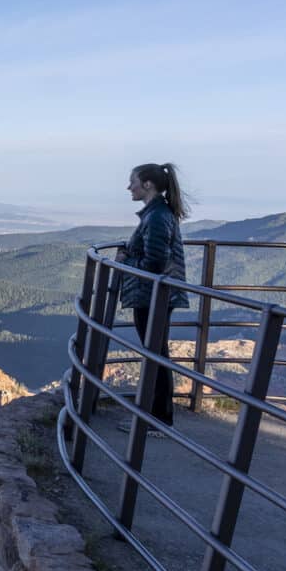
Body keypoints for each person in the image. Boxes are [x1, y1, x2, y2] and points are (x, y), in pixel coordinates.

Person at [119, 162, 190, 424]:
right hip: (156, 295)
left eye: (133, 181)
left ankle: (158, 419)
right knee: (156, 354)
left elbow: (155, 264)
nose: (129, 187)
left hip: (153, 296)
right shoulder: (157, 213)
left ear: (147, 184)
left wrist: (123, 261)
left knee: (155, 356)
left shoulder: (158, 216)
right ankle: (156, 416)